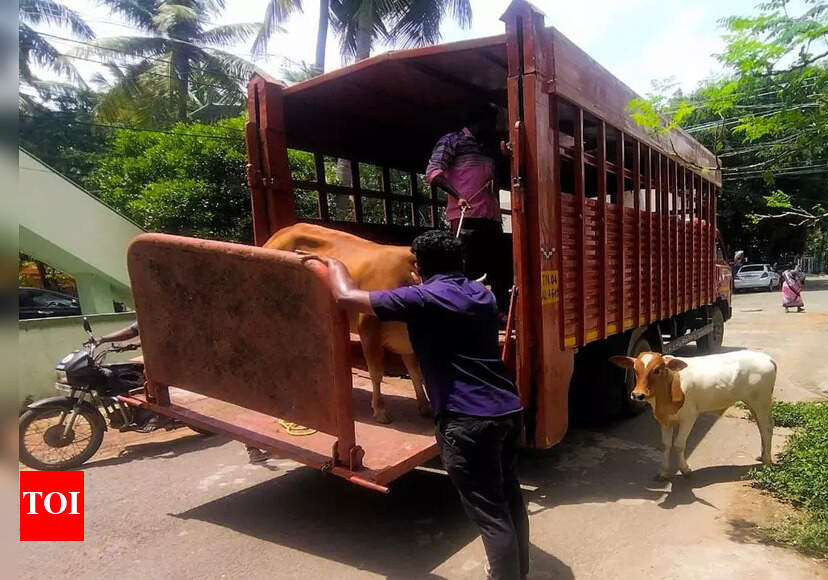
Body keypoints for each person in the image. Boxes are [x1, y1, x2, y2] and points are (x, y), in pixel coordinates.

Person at [308, 230, 529, 580]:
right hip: (508, 410)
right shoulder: (483, 295)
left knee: (489, 514)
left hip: (466, 419)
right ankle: (519, 571)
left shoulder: (421, 298)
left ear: (418, 269)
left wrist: (333, 263)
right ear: (462, 263)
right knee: (508, 494)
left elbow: (346, 296)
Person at [98, 321, 272, 463]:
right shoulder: (159, 308)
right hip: (188, 360)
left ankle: (162, 414)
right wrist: (119, 343)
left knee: (248, 402)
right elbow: (137, 331)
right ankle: (253, 446)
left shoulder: (163, 307)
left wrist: (104, 339)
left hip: (190, 361)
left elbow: (134, 331)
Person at [426, 103, 511, 311]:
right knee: (467, 266)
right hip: (466, 215)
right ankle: (465, 312)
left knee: (497, 265)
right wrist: (459, 196)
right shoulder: (452, 141)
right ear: (479, 122)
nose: (493, 128)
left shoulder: (489, 148)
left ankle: (497, 313)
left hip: (491, 217)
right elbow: (433, 172)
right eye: (491, 123)